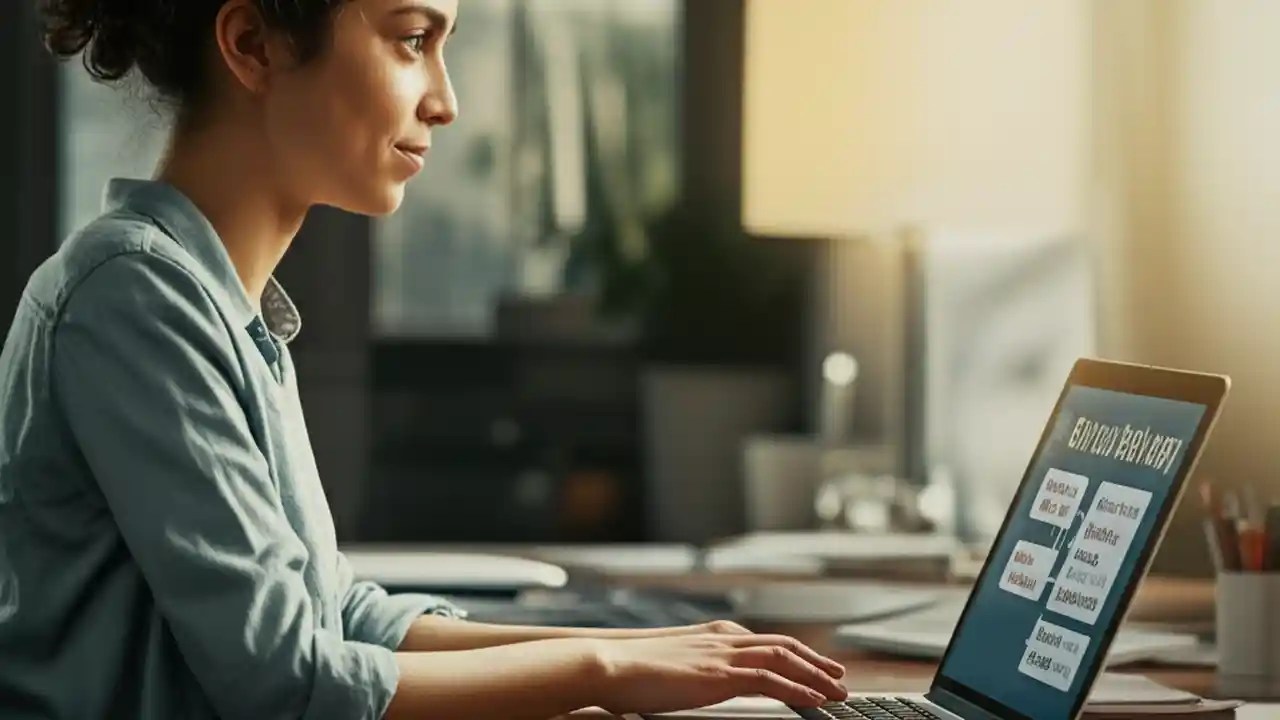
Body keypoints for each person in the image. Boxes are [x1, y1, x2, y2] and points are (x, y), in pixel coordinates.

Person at [0, 1, 848, 718]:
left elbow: (335, 613)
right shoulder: (136, 298)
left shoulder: (224, 304)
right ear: (253, 45)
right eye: (412, 40)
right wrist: (606, 671)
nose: (444, 101)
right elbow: (287, 677)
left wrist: (642, 648)